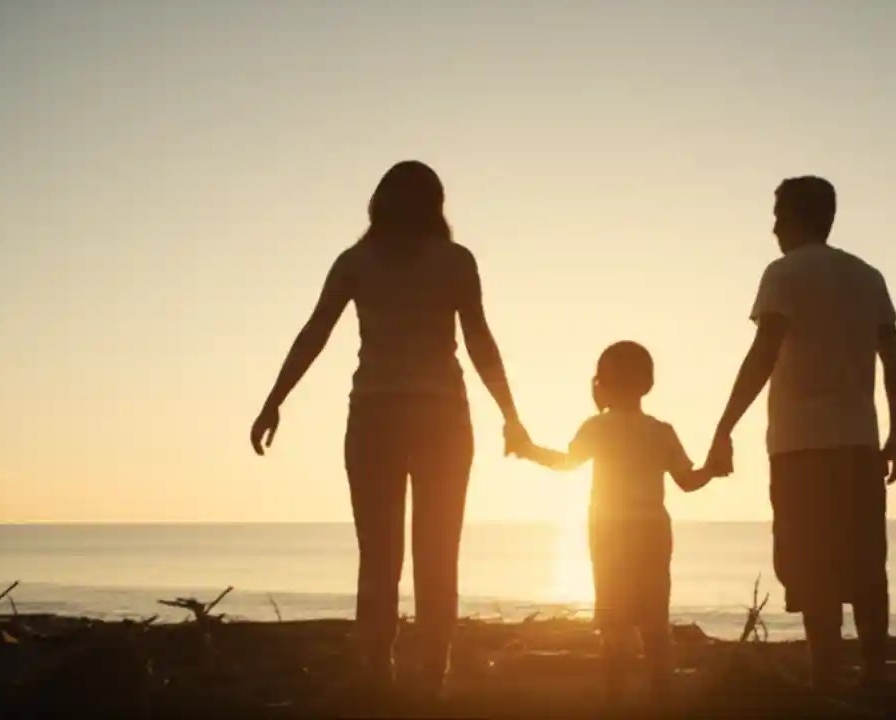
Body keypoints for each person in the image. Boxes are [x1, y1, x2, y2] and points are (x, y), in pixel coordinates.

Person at [249, 161, 529, 696]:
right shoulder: (446, 260)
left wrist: (274, 402)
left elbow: (314, 333)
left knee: (381, 553)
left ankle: (384, 669)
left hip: (383, 418)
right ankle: (421, 673)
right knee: (433, 551)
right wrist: (510, 416)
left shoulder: (358, 261)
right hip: (437, 419)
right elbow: (479, 342)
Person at [706, 176, 896, 691]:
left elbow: (763, 353)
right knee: (866, 564)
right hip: (859, 444)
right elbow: (894, 360)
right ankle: (875, 674)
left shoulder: (783, 274)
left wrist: (724, 426)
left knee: (809, 565)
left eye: (778, 214)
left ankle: (826, 677)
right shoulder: (868, 276)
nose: (772, 226)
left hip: (800, 447)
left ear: (796, 217)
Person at [509, 341, 724, 703]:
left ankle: (615, 700)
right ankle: (662, 697)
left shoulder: (596, 427)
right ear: (648, 384)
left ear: (601, 384)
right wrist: (713, 469)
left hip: (609, 533)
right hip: (653, 531)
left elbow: (566, 463)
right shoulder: (661, 431)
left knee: (614, 624)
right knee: (655, 621)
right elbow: (688, 482)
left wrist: (528, 450)